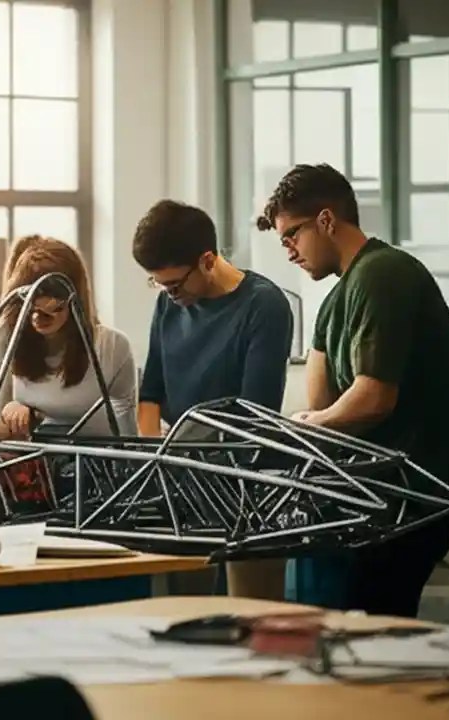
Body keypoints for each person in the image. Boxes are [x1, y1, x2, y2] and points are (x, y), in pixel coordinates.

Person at [258, 163, 449, 617]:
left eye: (292, 236)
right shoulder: (335, 300)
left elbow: (372, 399)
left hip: (421, 489)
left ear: (326, 220)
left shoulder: (385, 274)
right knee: (332, 606)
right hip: (381, 489)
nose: (288, 252)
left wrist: (305, 424)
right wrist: (310, 421)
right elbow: (323, 402)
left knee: (367, 615)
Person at [131, 199, 293, 599]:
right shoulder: (168, 307)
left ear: (207, 260)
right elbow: (151, 394)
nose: (169, 295)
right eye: (159, 285)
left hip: (245, 488)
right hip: (180, 482)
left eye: (174, 284)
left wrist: (187, 451)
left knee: (247, 619)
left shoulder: (263, 306)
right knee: (184, 614)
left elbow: (255, 416)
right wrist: (153, 456)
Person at [0, 235, 137, 437]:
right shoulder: (4, 339)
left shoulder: (113, 347)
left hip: (93, 461)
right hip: (29, 462)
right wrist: (12, 417)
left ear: (74, 299)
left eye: (53, 309)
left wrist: (39, 417)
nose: (38, 317)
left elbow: (126, 428)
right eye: (31, 308)